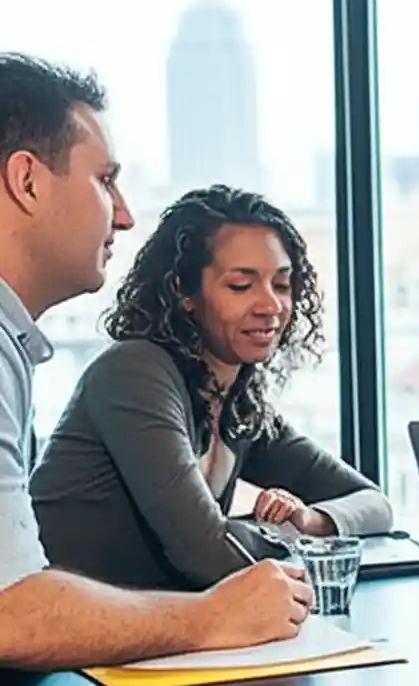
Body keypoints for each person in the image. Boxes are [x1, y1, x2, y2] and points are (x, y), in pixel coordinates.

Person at [0, 53, 312, 669]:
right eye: (105, 179)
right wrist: (214, 617)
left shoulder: (13, 346)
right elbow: (8, 613)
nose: (123, 213)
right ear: (28, 181)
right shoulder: (133, 372)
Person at [31, 184, 394, 591]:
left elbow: (373, 503)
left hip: (165, 638)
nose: (270, 305)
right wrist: (289, 537)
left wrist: (312, 520)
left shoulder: (239, 406)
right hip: (70, 641)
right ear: (184, 292)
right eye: (241, 286)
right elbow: (206, 555)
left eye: (282, 284)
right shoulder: (134, 373)